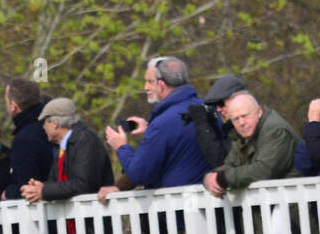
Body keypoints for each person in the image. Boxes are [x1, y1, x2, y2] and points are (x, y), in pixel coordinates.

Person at [100, 56, 208, 200]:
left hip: (177, 209)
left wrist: (121, 147)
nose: (145, 87)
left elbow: (139, 174)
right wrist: (150, 128)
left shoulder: (163, 123)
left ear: (161, 84)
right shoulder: (207, 109)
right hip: (210, 206)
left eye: (150, 82)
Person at [23, 98, 113, 234]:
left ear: (55, 123)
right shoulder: (64, 146)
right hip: (74, 231)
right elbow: (57, 182)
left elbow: (82, 184)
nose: (43, 127)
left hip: (92, 233)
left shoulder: (85, 141)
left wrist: (44, 191)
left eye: (45, 122)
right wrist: (39, 188)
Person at [204, 92, 300, 194]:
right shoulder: (244, 134)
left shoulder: (275, 131)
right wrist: (211, 177)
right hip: (270, 201)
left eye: (244, 116)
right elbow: (231, 164)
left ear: (259, 112)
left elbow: (264, 171)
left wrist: (223, 178)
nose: (241, 123)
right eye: (236, 119)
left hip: (293, 200)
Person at [2, 77, 55, 200]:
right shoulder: (52, 125)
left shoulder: (24, 139)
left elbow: (27, 187)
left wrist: (8, 192)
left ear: (13, 106)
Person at [186, 74, 248, 169]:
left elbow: (222, 161)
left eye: (221, 104)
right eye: (215, 106)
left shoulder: (250, 126)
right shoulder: (233, 129)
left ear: (239, 97)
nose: (218, 110)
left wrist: (203, 125)